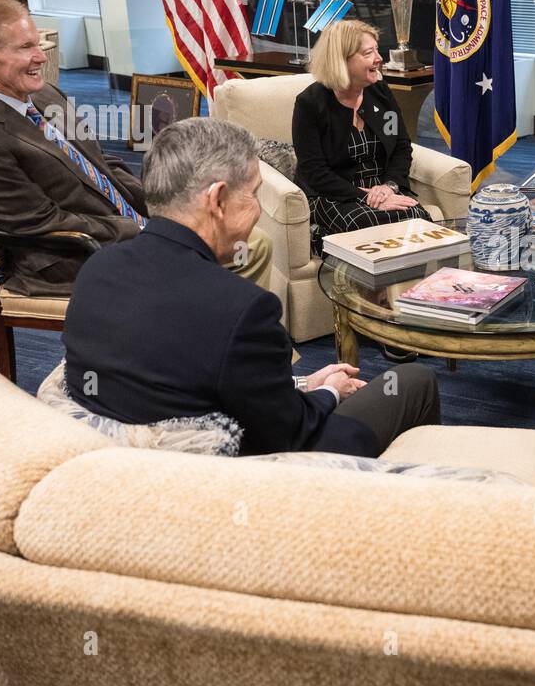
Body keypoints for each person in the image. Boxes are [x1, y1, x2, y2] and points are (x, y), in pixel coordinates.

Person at [63, 118, 441, 457]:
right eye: (254, 194)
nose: (259, 210)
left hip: (131, 468)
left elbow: (189, 379)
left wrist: (302, 383)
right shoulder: (243, 308)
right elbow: (291, 430)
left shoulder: (96, 270)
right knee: (412, 381)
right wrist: (329, 392)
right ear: (218, 200)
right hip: (255, 474)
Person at [0, 0, 273, 296]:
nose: (40, 56)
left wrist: (166, 206)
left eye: (37, 43)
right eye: (25, 47)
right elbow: (43, 222)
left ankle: (220, 335)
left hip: (120, 228)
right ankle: (210, 336)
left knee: (251, 242)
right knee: (236, 253)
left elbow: (102, 164)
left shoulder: (45, 96)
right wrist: (144, 229)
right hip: (75, 255)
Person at [292, 19, 430, 241]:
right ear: (341, 60)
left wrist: (389, 187)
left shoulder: (381, 93)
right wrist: (365, 197)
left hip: (382, 189)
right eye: (368, 53)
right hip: (334, 194)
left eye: (377, 49)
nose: (379, 58)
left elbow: (401, 147)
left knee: (417, 217)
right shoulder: (310, 104)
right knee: (366, 225)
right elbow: (314, 172)